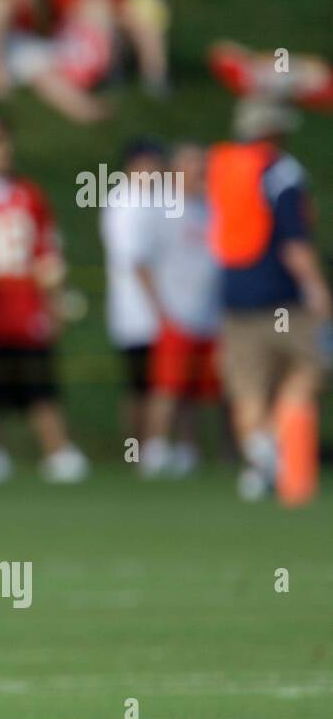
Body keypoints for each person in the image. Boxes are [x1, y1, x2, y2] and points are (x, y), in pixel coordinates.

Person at [0, 111, 88, 484]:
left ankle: (57, 450)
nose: (0, 151)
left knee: (39, 379)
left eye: (2, 143)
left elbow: (46, 253)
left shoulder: (28, 195)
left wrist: (54, 299)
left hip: (24, 302)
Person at [206, 100, 330, 503]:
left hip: (234, 295)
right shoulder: (281, 172)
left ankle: (259, 462)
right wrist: (317, 288)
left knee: (248, 388)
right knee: (314, 367)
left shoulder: (221, 167)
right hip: (282, 298)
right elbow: (294, 242)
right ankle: (278, 449)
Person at [133, 142, 222, 478]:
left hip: (209, 314)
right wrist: (160, 308)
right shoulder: (162, 210)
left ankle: (188, 449)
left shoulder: (211, 208)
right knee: (167, 387)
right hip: (176, 312)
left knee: (197, 390)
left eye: (202, 164)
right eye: (192, 164)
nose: (200, 171)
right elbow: (140, 261)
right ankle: (154, 451)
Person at [101, 137, 167, 447]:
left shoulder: (162, 200)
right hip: (135, 310)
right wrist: (160, 305)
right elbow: (134, 259)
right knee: (139, 385)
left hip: (164, 309)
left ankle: (165, 445)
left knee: (166, 384)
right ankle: (137, 450)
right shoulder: (123, 203)